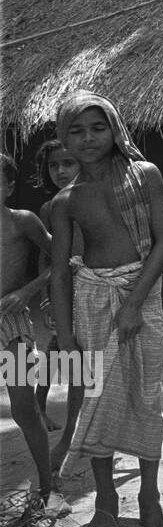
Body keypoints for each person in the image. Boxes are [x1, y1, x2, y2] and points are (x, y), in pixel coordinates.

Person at [48, 91, 163, 527]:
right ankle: (105, 503)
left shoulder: (145, 176)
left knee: (145, 396)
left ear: (115, 128)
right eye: (76, 131)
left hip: (142, 295)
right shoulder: (67, 201)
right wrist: (65, 336)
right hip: (93, 301)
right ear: (63, 137)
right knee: (96, 402)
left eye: (98, 127)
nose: (88, 139)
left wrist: (135, 303)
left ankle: (149, 496)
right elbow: (60, 273)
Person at [1, 152, 54, 506]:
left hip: (12, 322)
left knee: (23, 408)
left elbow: (61, 259)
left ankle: (47, 486)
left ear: (8, 186)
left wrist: (28, 291)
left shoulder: (22, 221)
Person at [34, 139, 82, 438]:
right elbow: (45, 257)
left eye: (68, 163)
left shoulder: (95, 200)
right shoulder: (48, 208)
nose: (61, 171)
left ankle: (81, 421)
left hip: (93, 289)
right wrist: (45, 298)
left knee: (73, 353)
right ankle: (38, 408)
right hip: (61, 290)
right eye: (54, 165)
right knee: (58, 350)